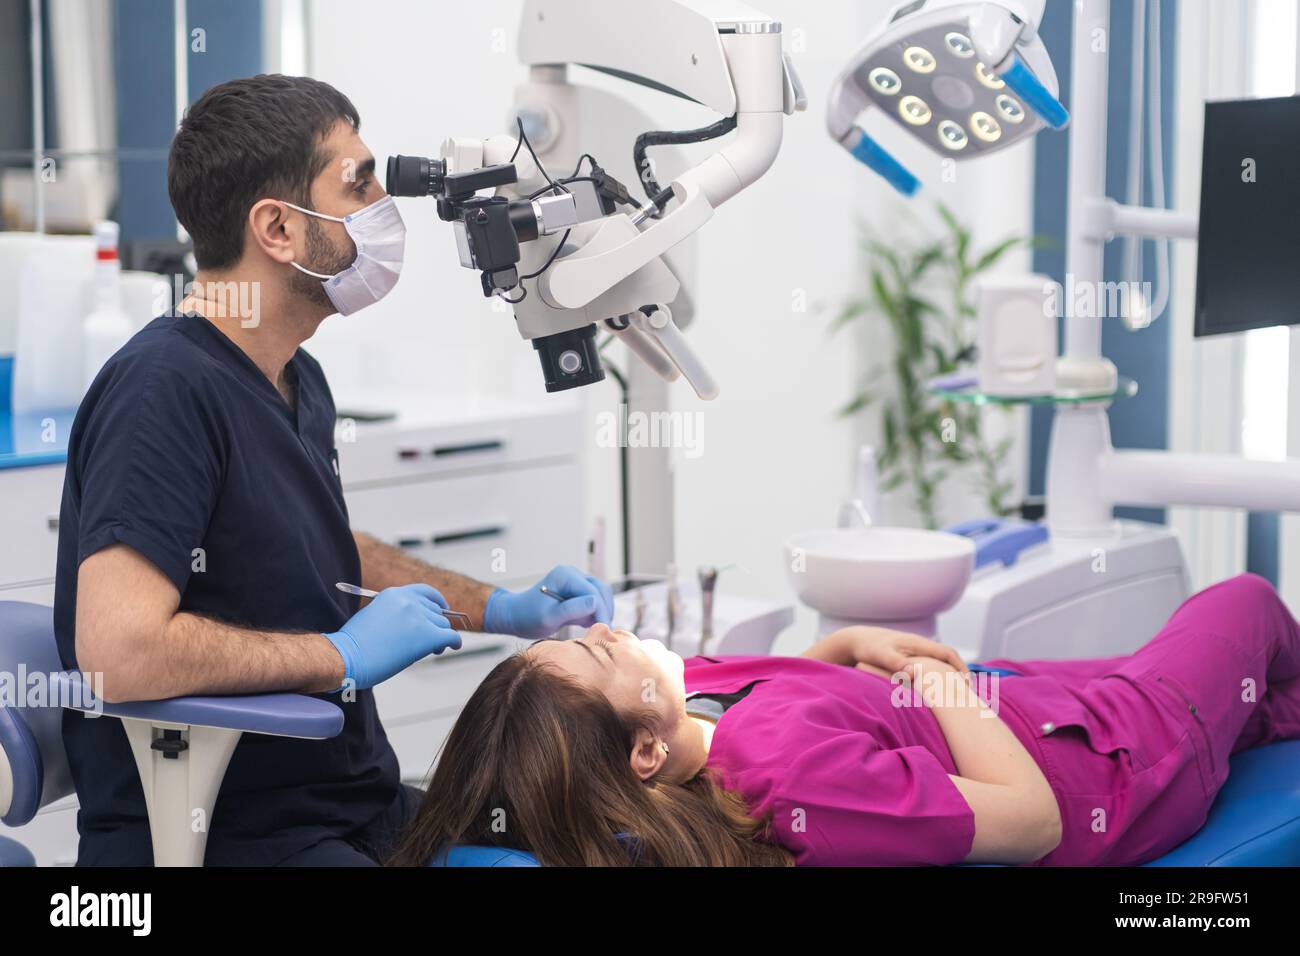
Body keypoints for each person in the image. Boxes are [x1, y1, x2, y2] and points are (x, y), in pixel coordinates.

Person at [54, 74, 613, 866]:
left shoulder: (291, 375)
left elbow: (318, 546)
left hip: (351, 805)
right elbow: (118, 651)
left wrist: (505, 610)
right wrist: (339, 658)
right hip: (225, 832)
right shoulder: (164, 393)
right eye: (359, 183)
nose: (388, 205)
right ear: (278, 229)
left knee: (605, 842)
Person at [390, 573, 1300, 866]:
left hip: (1020, 699)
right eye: (595, 655)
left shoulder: (688, 708)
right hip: (1109, 764)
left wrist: (849, 647)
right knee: (1246, 604)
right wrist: (941, 687)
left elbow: (777, 696)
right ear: (642, 752)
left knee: (1264, 704)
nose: (605, 631)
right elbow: (1034, 822)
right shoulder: (787, 778)